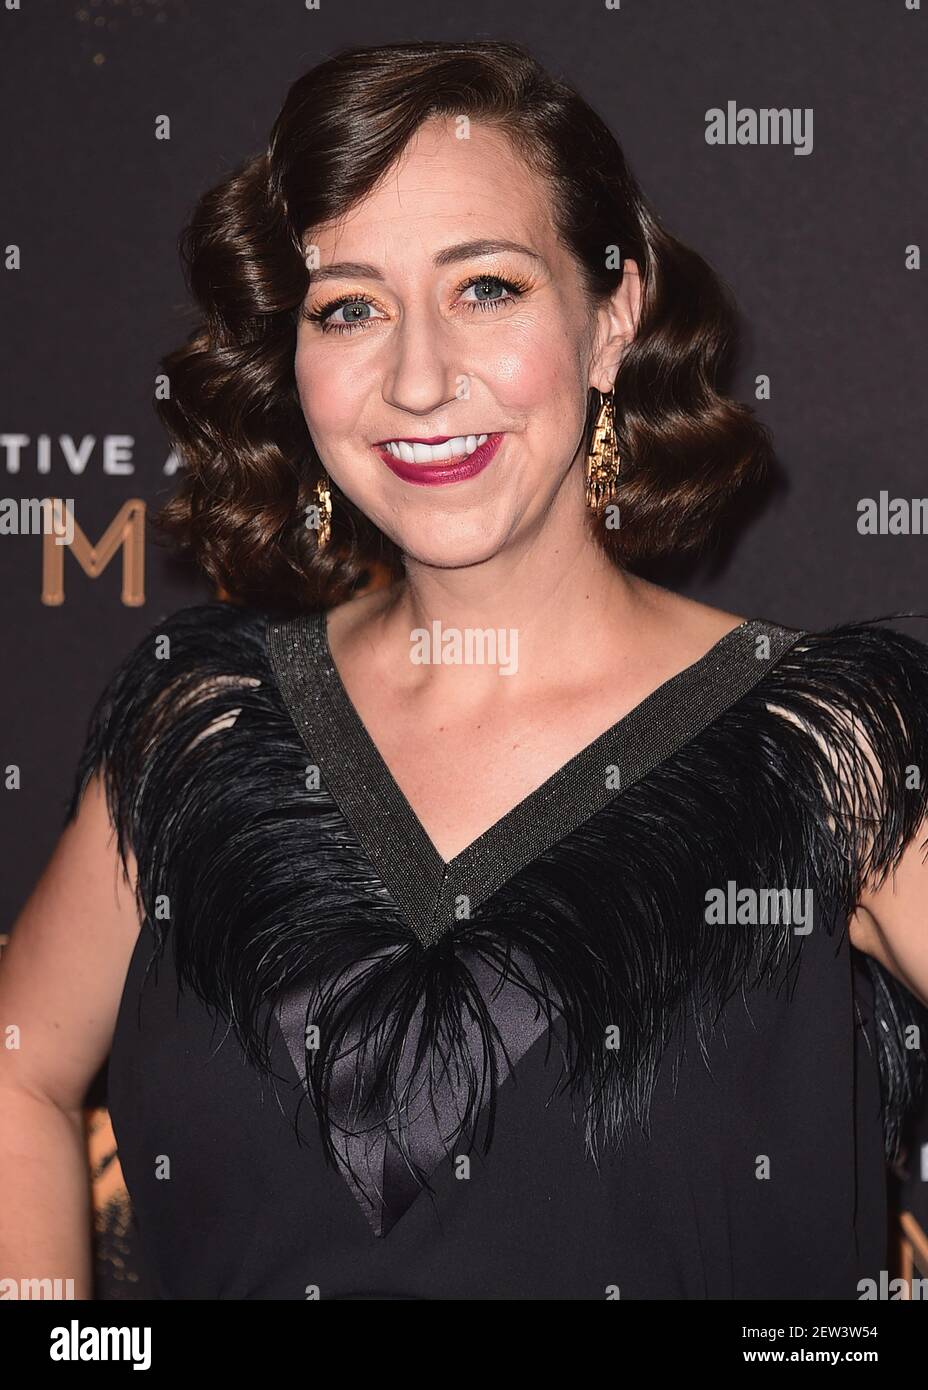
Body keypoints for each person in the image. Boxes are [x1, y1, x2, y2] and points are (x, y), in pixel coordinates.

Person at [2, 38, 928, 1301]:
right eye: (349, 307)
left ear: (610, 320)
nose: (420, 378)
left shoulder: (828, 749)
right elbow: (20, 1069)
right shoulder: (202, 725)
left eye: (485, 288)